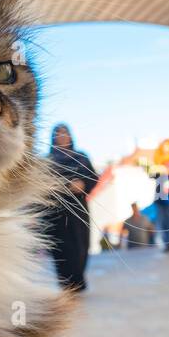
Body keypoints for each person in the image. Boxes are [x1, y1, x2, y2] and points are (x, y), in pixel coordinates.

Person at [44, 123, 98, 291]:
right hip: (57, 212)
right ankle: (67, 285)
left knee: (81, 246)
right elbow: (43, 186)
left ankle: (78, 280)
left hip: (79, 209)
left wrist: (83, 184)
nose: (62, 136)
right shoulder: (47, 161)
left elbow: (93, 177)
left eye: (65, 133)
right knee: (62, 249)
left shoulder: (81, 157)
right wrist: (65, 186)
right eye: (58, 134)